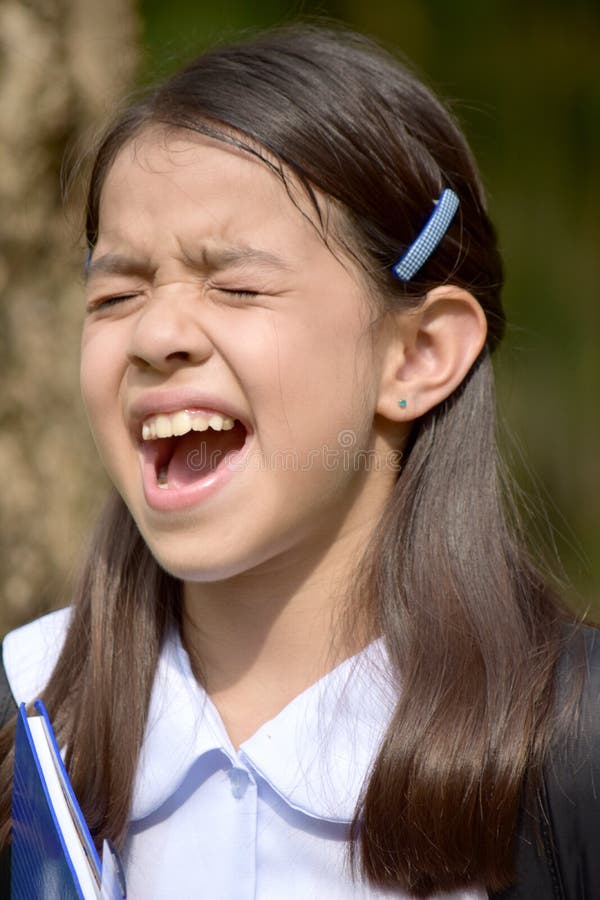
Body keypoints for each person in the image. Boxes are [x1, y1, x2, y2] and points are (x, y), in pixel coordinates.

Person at [0, 23, 598, 900]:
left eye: (236, 286)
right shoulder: (21, 727)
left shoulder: (570, 752)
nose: (157, 336)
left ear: (420, 355)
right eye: (117, 294)